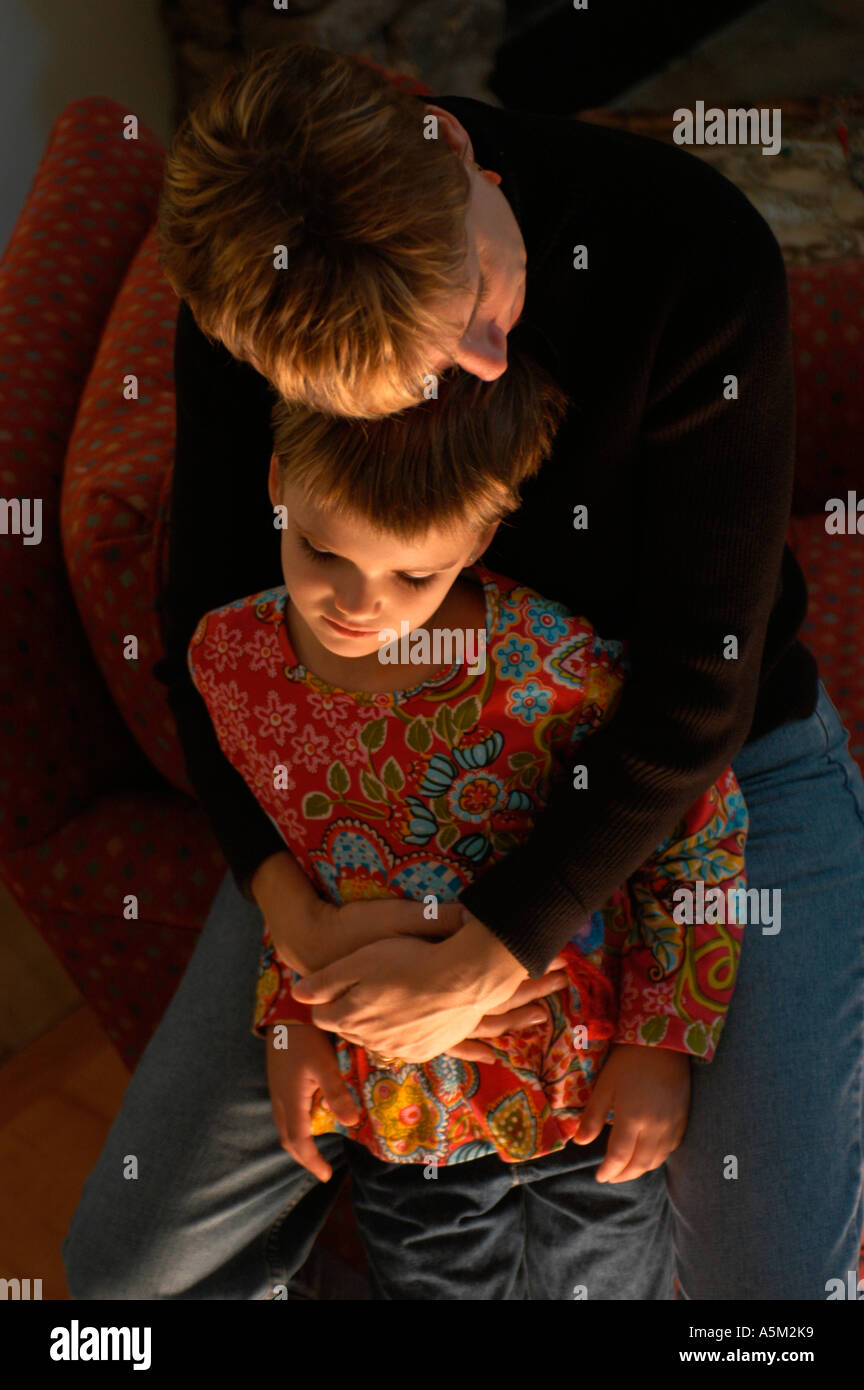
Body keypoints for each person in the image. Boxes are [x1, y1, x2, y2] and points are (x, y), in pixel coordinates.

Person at [63, 41, 864, 1301]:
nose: (490, 361)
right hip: (360, 776)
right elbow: (211, 641)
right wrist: (299, 933)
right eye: (428, 376)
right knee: (125, 1275)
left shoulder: (692, 255)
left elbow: (700, 687)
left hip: (705, 757)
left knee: (774, 1291)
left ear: (455, 153)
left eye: (473, 308)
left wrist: (492, 952)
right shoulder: (256, 310)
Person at [185, 356, 746, 1252]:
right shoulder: (232, 665)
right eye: (323, 550)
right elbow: (298, 860)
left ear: (481, 537)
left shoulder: (554, 669)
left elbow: (695, 834)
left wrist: (661, 1041)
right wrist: (292, 1016)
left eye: (414, 576)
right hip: (398, 1120)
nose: (359, 605)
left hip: (582, 1102)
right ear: (278, 484)